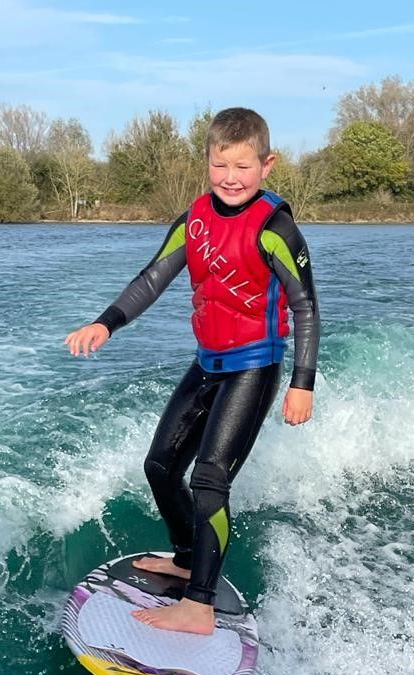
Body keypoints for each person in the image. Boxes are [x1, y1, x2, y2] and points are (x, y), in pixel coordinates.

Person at [64, 107, 320, 635]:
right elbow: (152, 279)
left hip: (255, 365)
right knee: (159, 466)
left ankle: (199, 605)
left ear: (267, 165)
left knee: (209, 479)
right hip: (208, 363)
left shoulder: (276, 229)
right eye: (220, 165)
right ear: (206, 162)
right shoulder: (194, 220)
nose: (231, 178)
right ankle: (186, 558)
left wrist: (302, 384)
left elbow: (306, 307)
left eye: (244, 167)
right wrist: (106, 323)